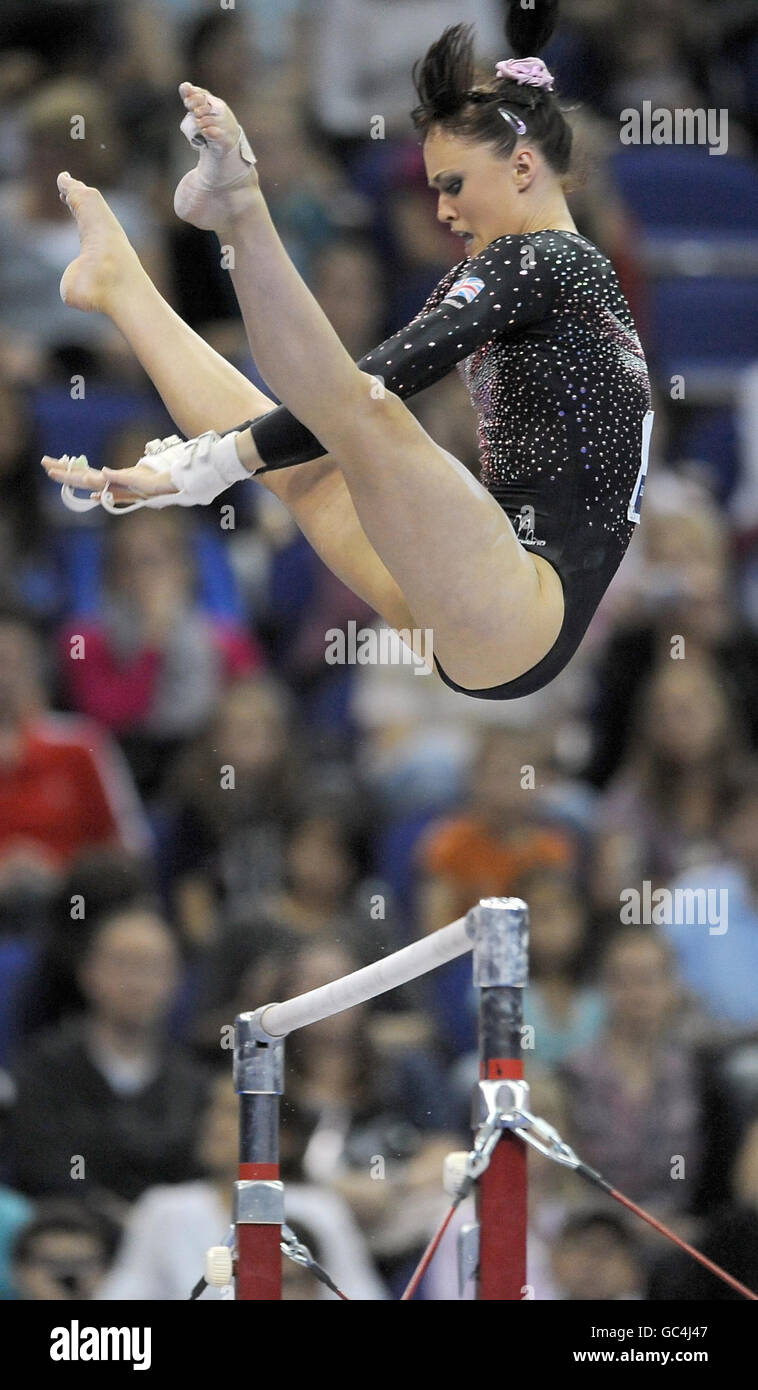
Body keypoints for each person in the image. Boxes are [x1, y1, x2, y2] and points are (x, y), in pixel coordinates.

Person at [43, 0, 653, 701]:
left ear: (522, 168)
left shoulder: (550, 259)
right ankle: (127, 286)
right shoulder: (522, 270)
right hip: (486, 608)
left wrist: (205, 464)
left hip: (519, 601)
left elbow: (371, 389)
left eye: (453, 186)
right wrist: (209, 464)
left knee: (366, 415)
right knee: (313, 465)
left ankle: (238, 208)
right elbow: (336, 397)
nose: (444, 212)